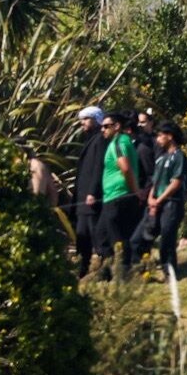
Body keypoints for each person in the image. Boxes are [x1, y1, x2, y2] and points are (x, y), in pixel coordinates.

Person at [90, 111, 142, 280]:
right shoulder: (119, 142)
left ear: (117, 126)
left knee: (117, 238)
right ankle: (106, 271)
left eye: (106, 126)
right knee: (102, 235)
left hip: (119, 195)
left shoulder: (119, 142)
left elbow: (125, 167)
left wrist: (136, 191)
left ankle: (123, 273)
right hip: (113, 196)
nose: (102, 130)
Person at [141, 122, 187, 279]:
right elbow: (155, 182)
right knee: (143, 236)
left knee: (167, 237)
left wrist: (160, 199)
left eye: (161, 135)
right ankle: (142, 267)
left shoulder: (178, 156)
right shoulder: (161, 158)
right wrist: (151, 198)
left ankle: (170, 271)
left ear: (170, 136)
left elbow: (176, 182)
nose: (158, 139)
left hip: (172, 203)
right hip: (156, 204)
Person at [70, 107, 108, 278]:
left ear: (96, 120)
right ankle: (83, 269)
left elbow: (99, 167)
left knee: (96, 235)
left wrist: (93, 192)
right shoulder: (90, 140)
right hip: (82, 198)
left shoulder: (100, 140)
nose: (82, 123)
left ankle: (106, 270)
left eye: (86, 119)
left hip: (90, 199)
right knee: (82, 236)